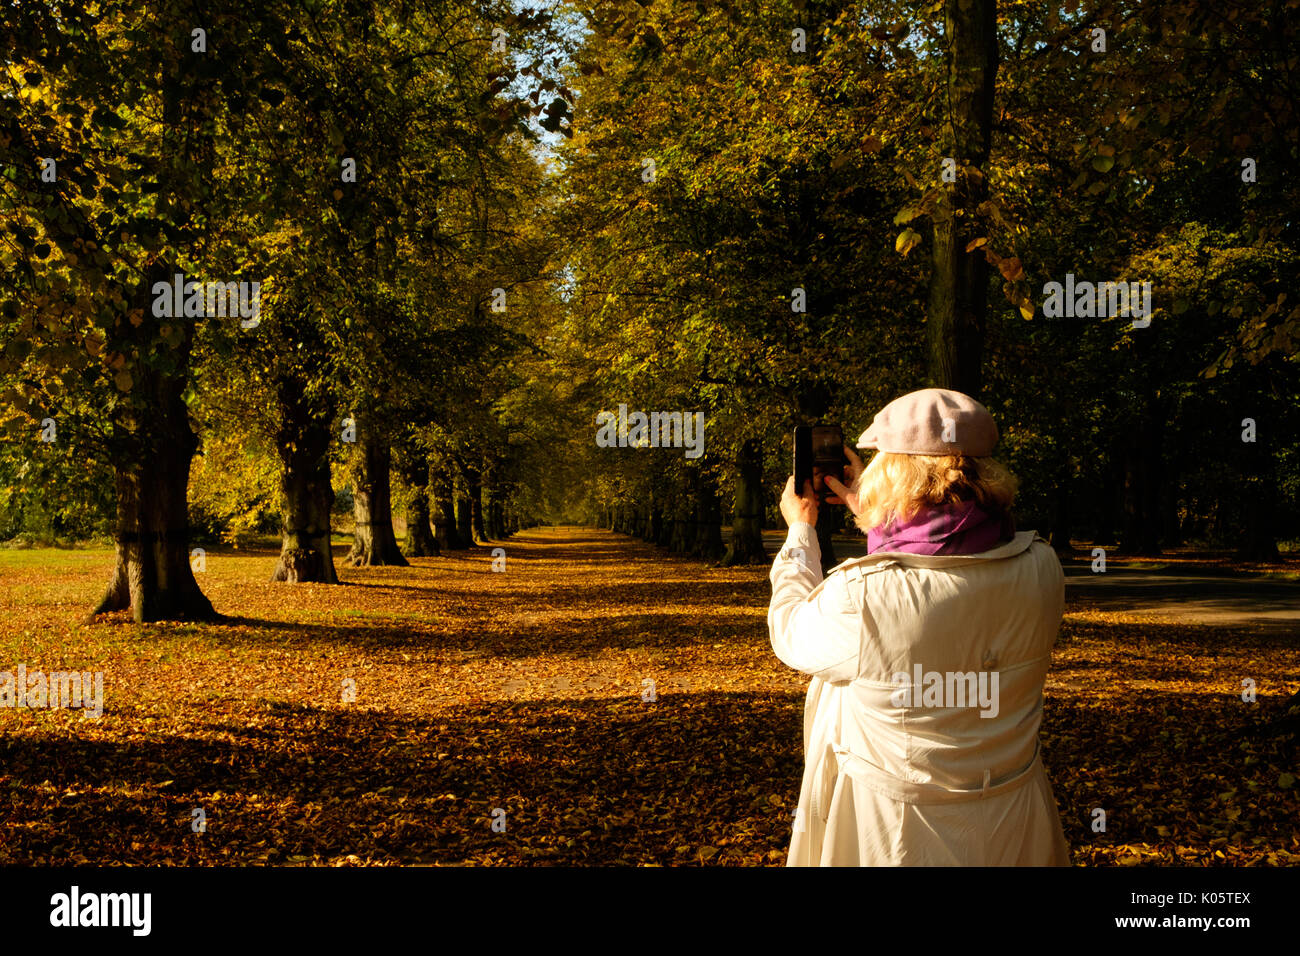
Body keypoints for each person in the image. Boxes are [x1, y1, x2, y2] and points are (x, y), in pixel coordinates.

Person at [769, 387, 1071, 866]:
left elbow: (790, 630)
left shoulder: (863, 594)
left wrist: (800, 534)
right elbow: (947, 559)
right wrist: (877, 516)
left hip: (896, 832)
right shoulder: (1042, 568)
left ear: (895, 473)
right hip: (1013, 817)